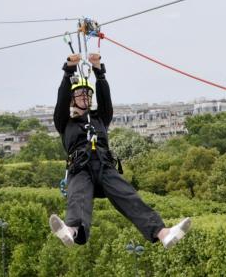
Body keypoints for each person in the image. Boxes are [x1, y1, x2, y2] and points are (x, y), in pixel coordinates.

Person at [49, 52, 191, 248]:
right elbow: (61, 99)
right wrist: (69, 71)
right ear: (72, 99)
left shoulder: (99, 119)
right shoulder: (64, 122)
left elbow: (105, 100)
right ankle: (71, 230)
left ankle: (163, 232)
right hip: (80, 167)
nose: (85, 97)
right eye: (80, 94)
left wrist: (99, 71)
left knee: (128, 195)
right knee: (78, 195)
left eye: (88, 94)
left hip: (104, 165)